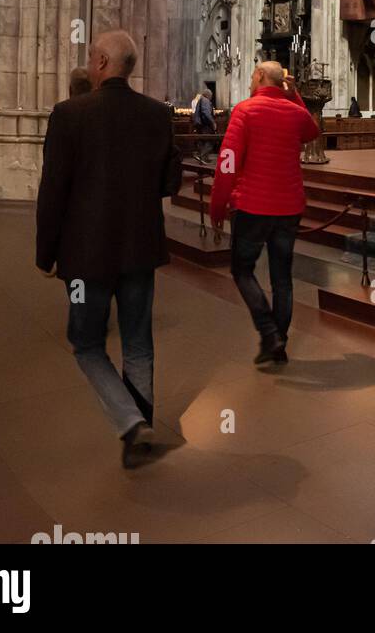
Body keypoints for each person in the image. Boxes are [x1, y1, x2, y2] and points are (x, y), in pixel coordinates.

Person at [36, 30, 181, 468]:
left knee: (85, 342)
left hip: (84, 258)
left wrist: (46, 254)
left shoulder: (69, 114)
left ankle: (129, 420)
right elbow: (169, 184)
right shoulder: (158, 114)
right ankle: (141, 427)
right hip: (139, 250)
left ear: (100, 63)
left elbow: (53, 191)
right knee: (138, 342)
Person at [210, 62, 319, 366]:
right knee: (282, 278)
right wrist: (294, 94)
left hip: (252, 206)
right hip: (288, 208)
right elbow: (312, 131)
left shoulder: (245, 111)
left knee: (242, 270)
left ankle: (270, 333)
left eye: (252, 75)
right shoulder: (295, 112)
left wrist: (217, 206)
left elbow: (227, 163)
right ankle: (278, 343)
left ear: (258, 77)